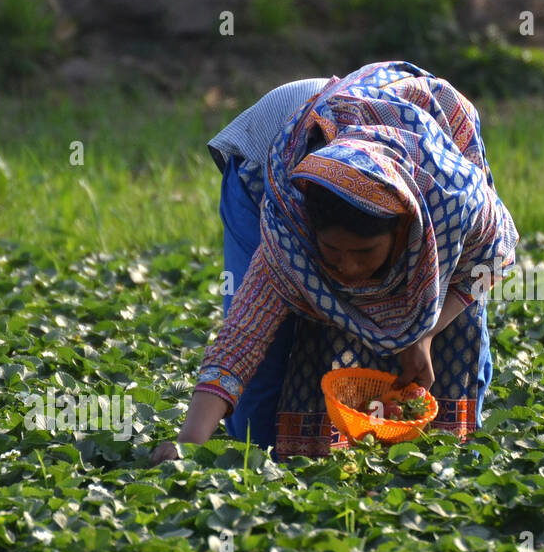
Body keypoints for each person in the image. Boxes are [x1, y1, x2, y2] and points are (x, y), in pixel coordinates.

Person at [152, 61, 519, 461]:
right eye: (332, 253)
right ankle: (275, 450)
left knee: (460, 325)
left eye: (363, 253)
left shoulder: (454, 204)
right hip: (269, 147)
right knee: (261, 395)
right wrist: (188, 446)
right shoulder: (290, 225)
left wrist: (425, 334)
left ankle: (438, 444)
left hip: (392, 116)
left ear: (402, 234)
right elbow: (242, 337)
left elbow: (491, 262)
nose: (348, 269)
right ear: (312, 236)